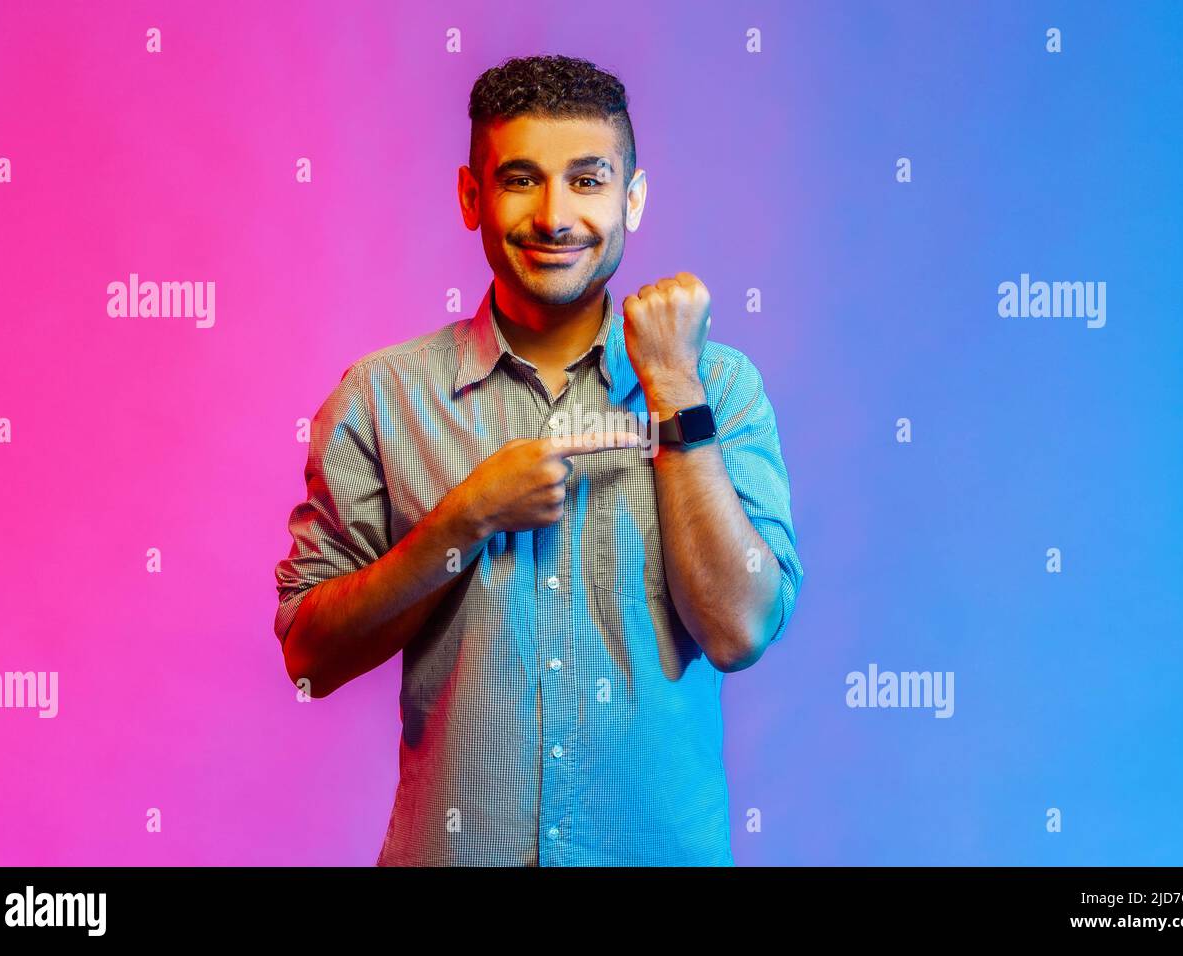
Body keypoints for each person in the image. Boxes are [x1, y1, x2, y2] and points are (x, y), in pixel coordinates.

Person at [272, 54, 803, 866]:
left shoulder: (717, 385)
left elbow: (739, 630)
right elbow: (309, 657)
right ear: (471, 197)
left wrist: (671, 387)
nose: (555, 215)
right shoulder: (381, 397)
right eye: (521, 179)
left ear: (633, 198)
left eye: (588, 180)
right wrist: (466, 519)